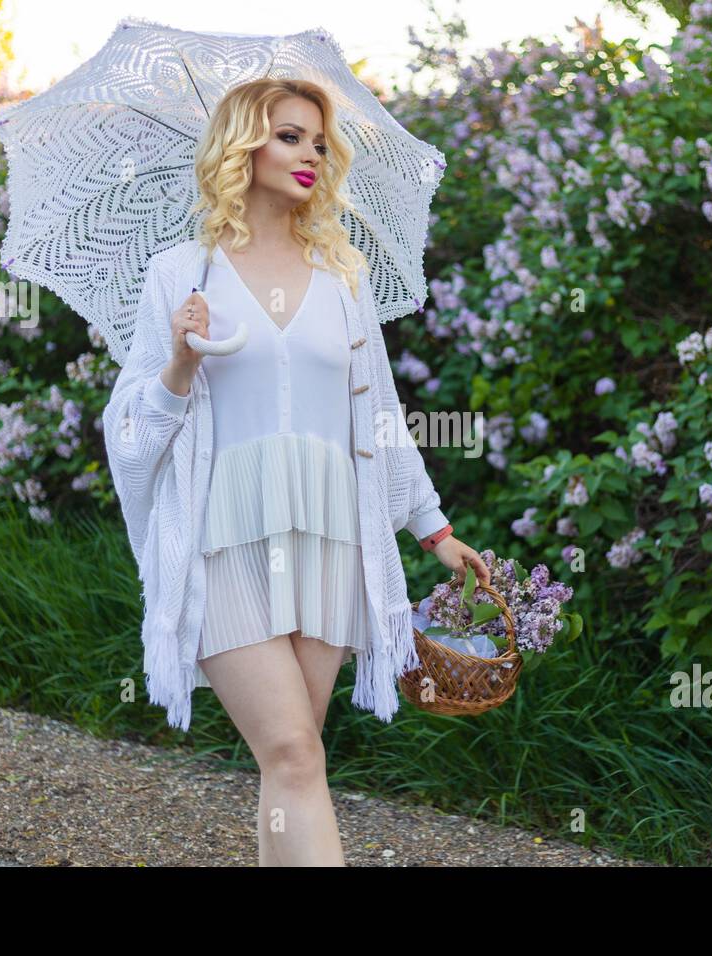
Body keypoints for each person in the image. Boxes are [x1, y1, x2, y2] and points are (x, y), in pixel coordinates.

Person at [149, 77, 489, 866]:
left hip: (329, 532)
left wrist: (434, 530)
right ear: (244, 146)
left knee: (294, 760)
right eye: (289, 136)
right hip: (224, 536)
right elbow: (132, 431)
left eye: (318, 140)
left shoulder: (343, 275)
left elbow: (381, 416)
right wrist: (176, 362)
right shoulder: (181, 276)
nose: (311, 153)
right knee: (294, 754)